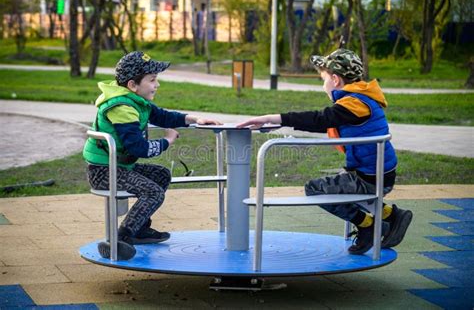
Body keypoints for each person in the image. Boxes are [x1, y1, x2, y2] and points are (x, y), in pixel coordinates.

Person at [237, 48, 412, 255]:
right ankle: (391, 215)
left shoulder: (355, 103)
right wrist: (280, 123)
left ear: (335, 80)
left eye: (323, 79)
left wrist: (274, 118)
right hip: (374, 172)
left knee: (316, 190)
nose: (323, 85)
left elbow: (321, 118)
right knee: (342, 187)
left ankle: (368, 225)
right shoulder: (360, 98)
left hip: (370, 177)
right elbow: (326, 122)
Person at [83, 51, 221, 260]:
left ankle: (140, 228)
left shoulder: (134, 101)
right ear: (132, 85)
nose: (157, 85)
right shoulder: (122, 108)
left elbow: (163, 116)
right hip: (104, 171)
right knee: (153, 193)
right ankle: (122, 238)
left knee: (161, 175)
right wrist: (167, 141)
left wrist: (196, 119)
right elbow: (139, 148)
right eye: (152, 80)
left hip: (119, 167)